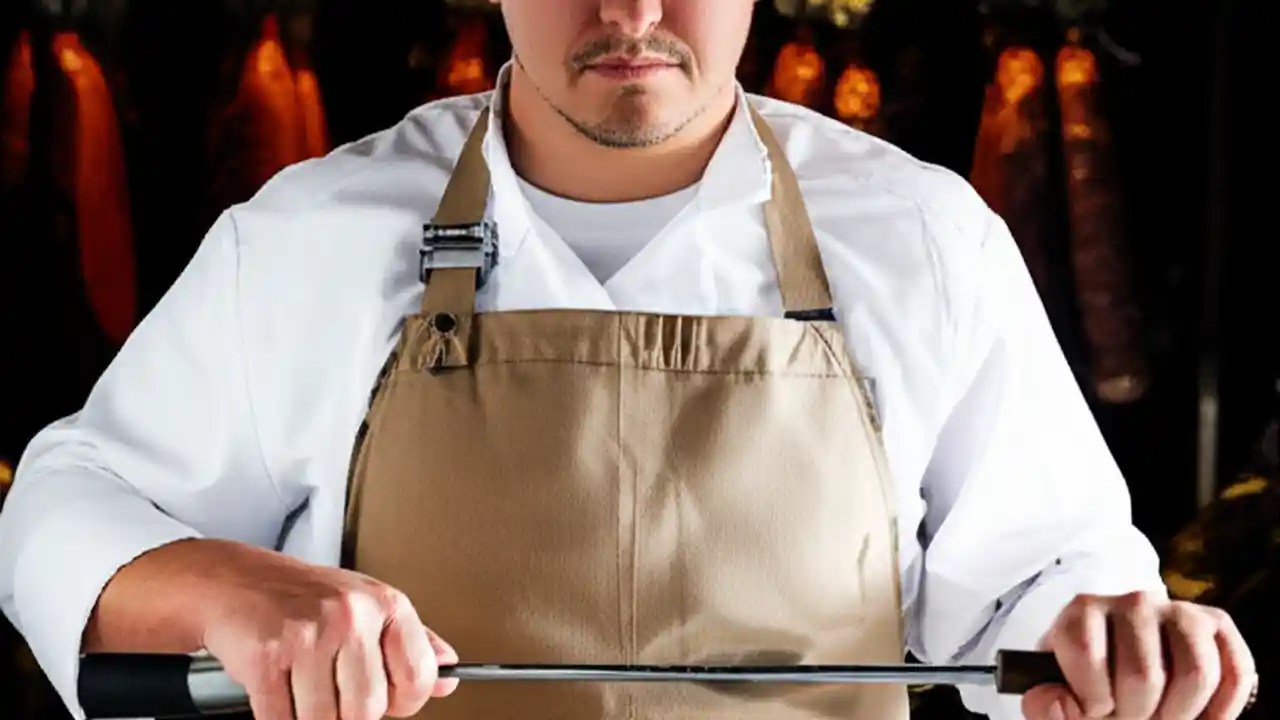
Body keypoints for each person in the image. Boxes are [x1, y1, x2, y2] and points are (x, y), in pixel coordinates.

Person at [0, 1, 1257, 719]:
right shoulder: (308, 237)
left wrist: (1111, 640)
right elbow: (63, 507)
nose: (632, 16)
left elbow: (1036, 580)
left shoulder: (922, 236)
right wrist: (228, 588)